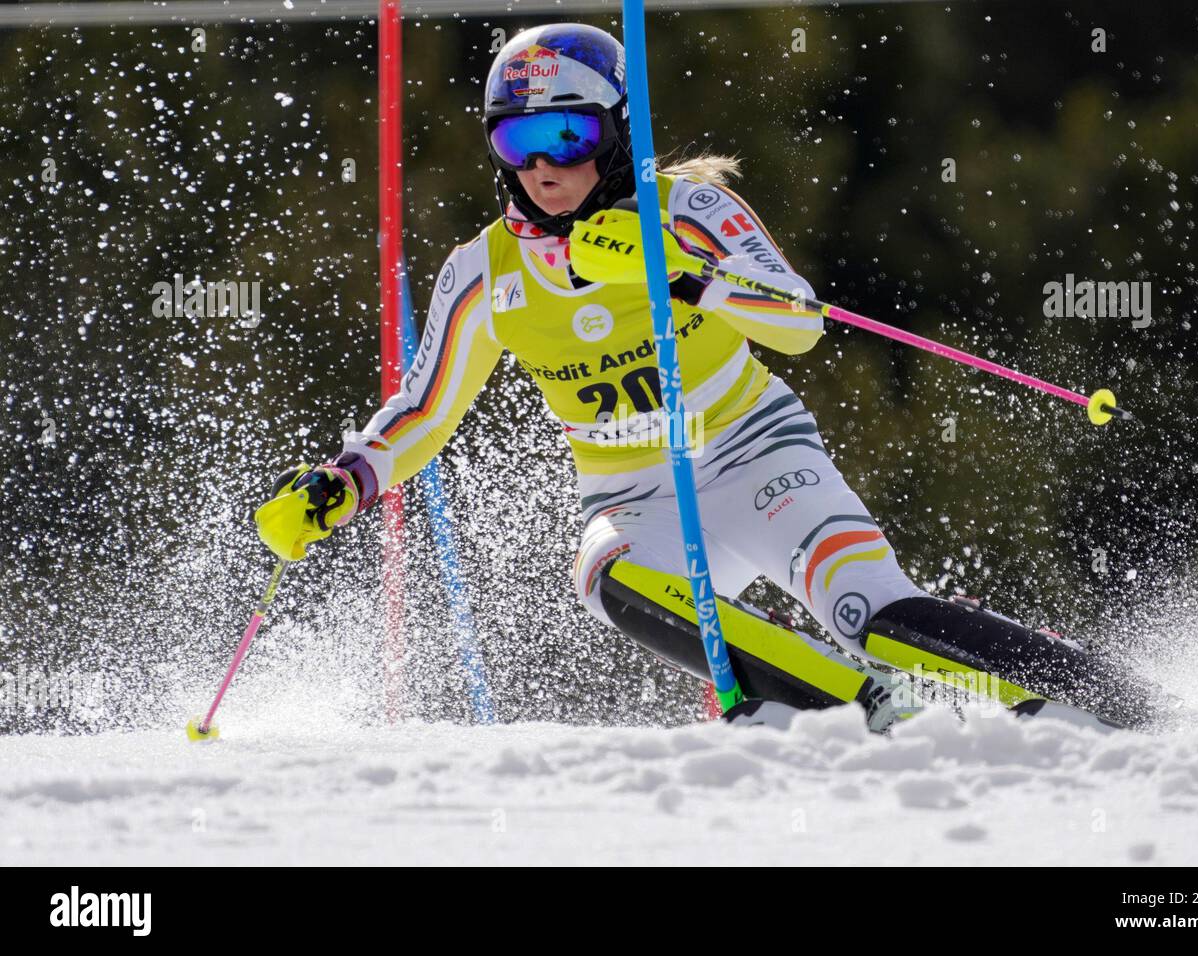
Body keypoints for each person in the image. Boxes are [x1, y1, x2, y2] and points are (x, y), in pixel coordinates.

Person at [257, 23, 1152, 731]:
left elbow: (799, 325)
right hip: (636, 491)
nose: (543, 167)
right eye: (518, 140)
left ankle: (1108, 699)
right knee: (608, 576)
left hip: (756, 455)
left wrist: (677, 273)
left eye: (567, 135)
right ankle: (860, 714)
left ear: (614, 134)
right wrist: (348, 478)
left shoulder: (686, 208)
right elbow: (426, 409)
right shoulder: (484, 270)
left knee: (873, 616)